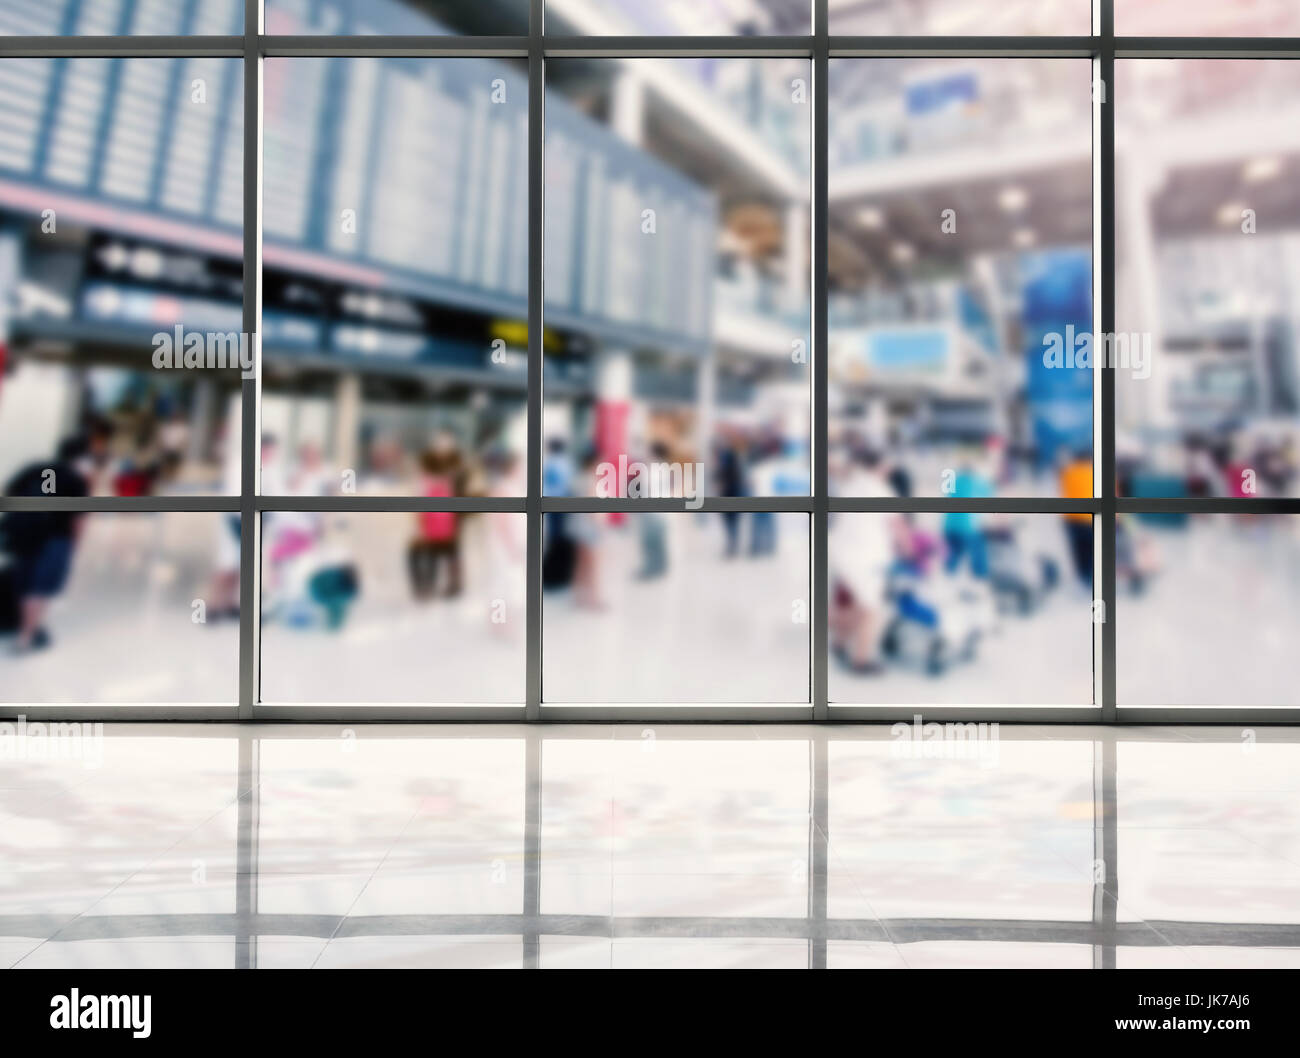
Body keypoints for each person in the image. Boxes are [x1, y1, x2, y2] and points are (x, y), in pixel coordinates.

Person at [1, 438, 91, 654]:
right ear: (81, 458)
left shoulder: (35, 468)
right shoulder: (76, 479)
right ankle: (26, 637)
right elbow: (78, 518)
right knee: (40, 588)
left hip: (23, 535)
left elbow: (8, 490)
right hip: (55, 538)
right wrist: (75, 545)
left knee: (24, 583)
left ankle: (25, 626)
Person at [943, 456, 991, 579]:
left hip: (949, 527)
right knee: (978, 550)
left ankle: (948, 575)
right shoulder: (977, 482)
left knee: (954, 551)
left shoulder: (955, 481)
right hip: (967, 528)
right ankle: (981, 576)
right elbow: (989, 494)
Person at [1058, 449, 1093, 588]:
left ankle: (1083, 575)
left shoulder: (1068, 472)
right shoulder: (1096, 473)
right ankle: (1091, 574)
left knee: (1078, 549)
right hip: (1089, 519)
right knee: (1092, 548)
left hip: (1071, 519)